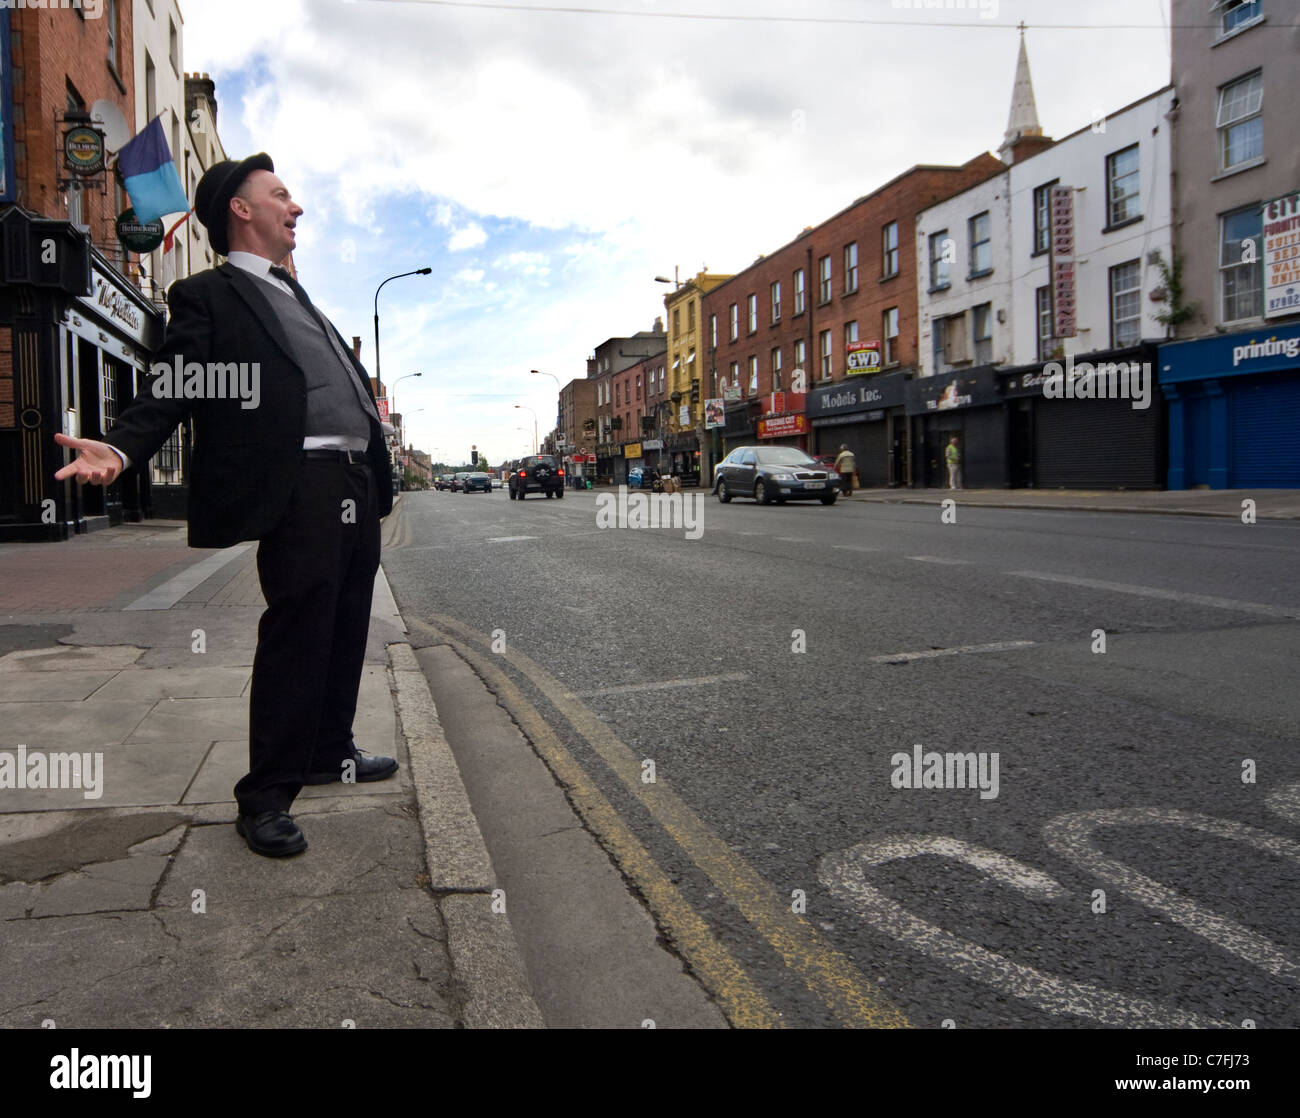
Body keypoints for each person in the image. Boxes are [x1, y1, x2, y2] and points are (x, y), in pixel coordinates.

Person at [53, 153, 398, 858]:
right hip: (300, 482)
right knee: (299, 631)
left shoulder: (295, 292)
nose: (295, 207)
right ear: (241, 210)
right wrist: (119, 449)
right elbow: (177, 381)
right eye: (280, 195)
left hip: (356, 481)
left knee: (345, 623)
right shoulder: (209, 294)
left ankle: (328, 751)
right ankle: (265, 795)